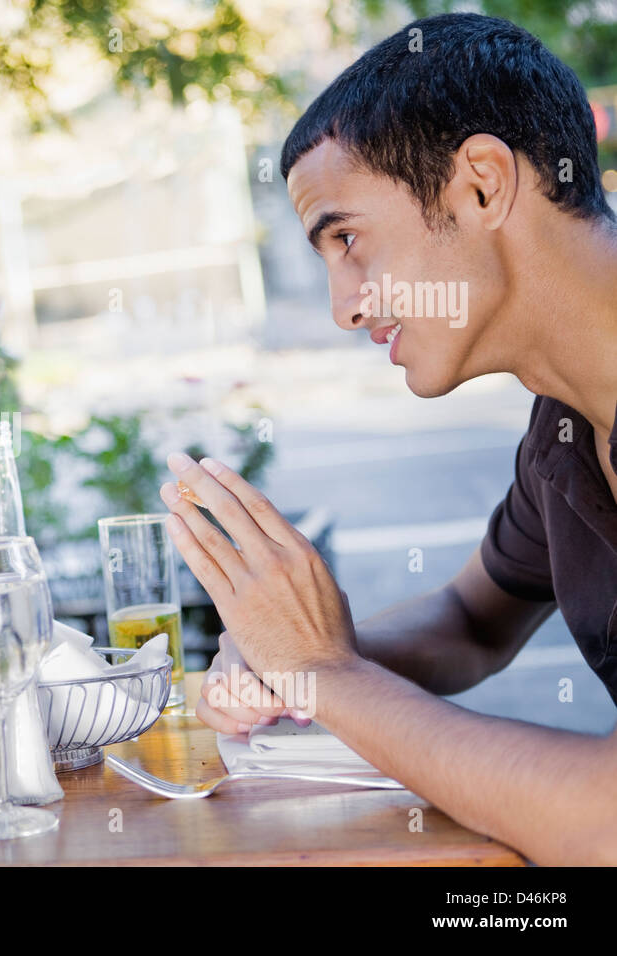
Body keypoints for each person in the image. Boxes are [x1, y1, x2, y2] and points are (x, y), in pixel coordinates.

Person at [164, 13, 617, 865]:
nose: (345, 306)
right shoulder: (562, 426)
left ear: (481, 185)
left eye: (347, 239)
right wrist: (293, 652)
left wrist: (335, 678)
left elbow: (605, 821)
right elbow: (469, 623)